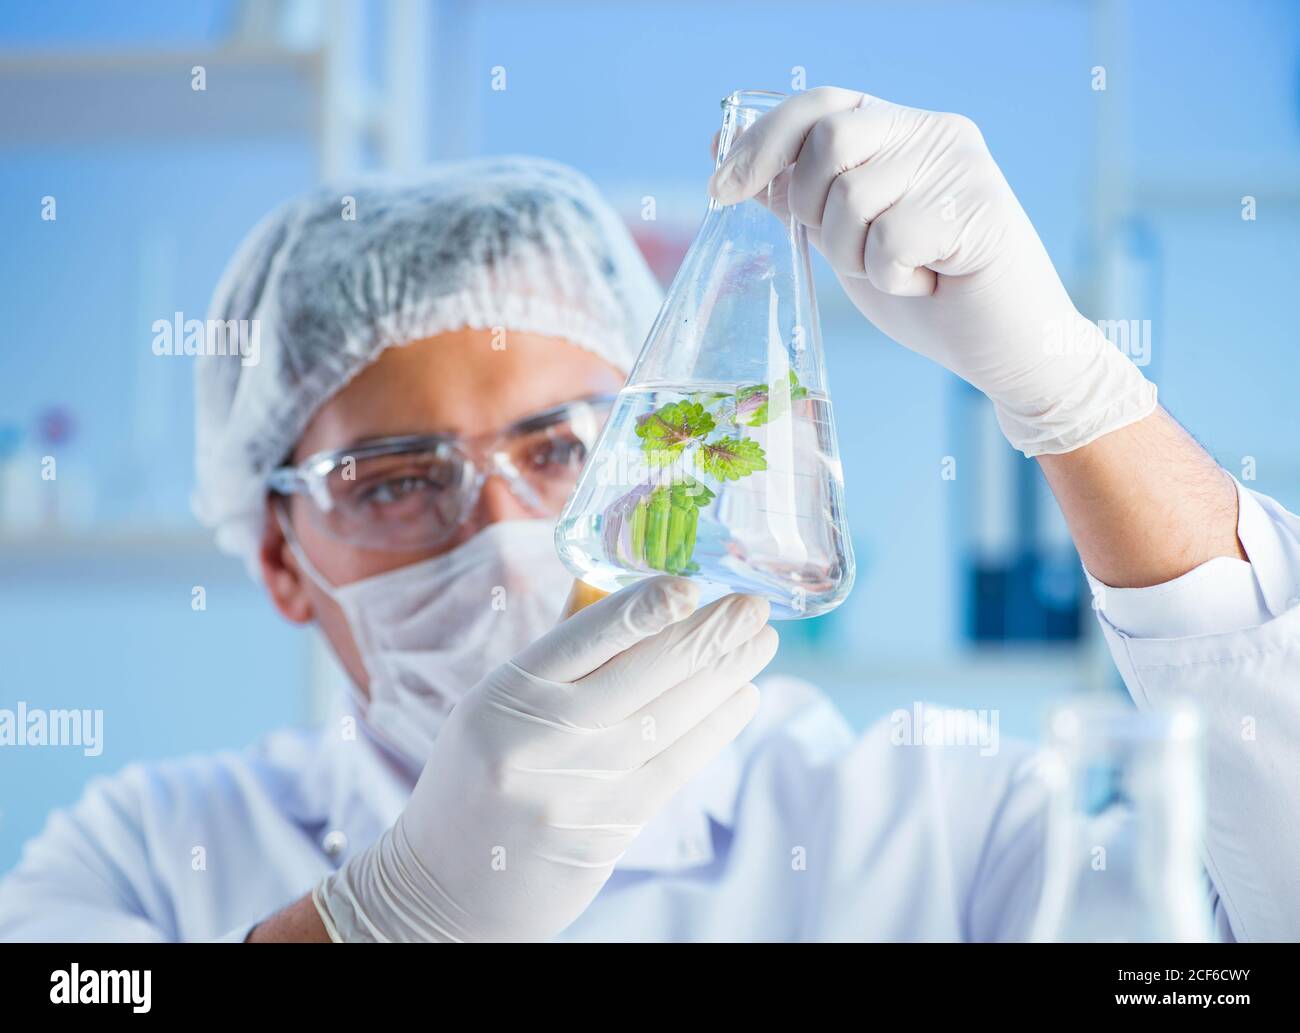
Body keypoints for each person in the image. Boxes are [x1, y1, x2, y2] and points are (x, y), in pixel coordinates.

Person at [2, 88, 1297, 942]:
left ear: (666, 455)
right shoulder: (143, 852)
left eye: (565, 446)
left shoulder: (927, 825)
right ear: (280, 553)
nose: (500, 526)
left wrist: (1073, 392)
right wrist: (385, 916)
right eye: (396, 478)